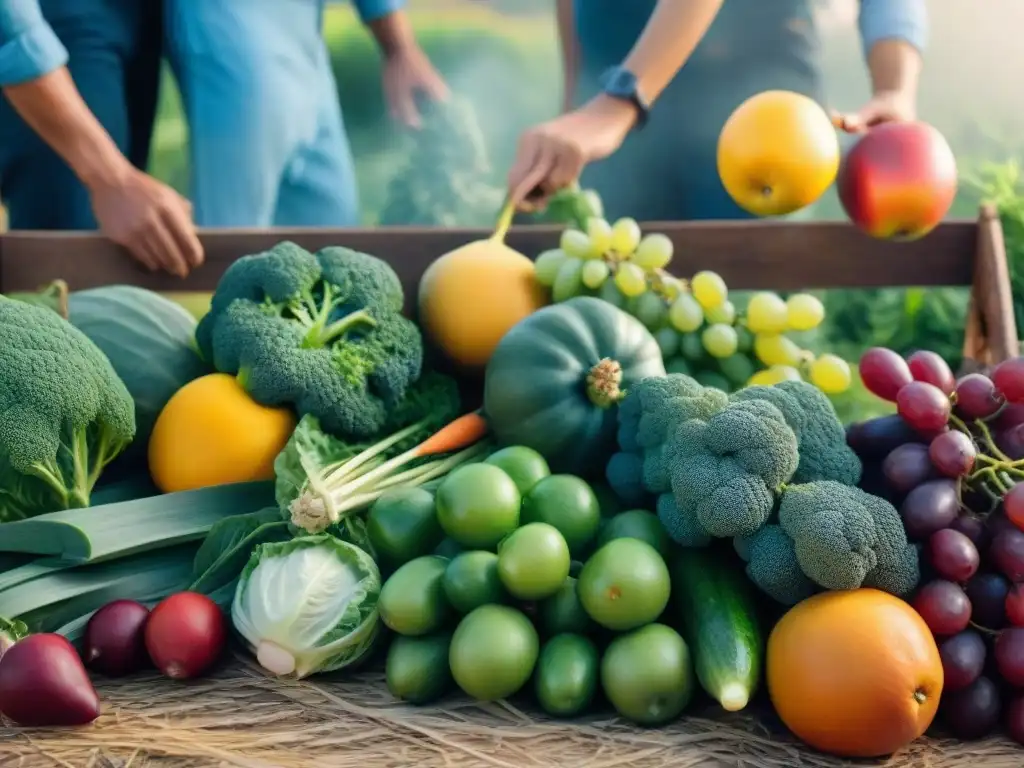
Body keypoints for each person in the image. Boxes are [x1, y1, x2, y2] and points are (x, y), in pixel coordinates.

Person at [506, 0, 927, 220]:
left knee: (752, 312)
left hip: (761, 114)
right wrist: (577, 98)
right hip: (612, 98)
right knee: (615, 314)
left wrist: (894, 87)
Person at [164, 0, 448, 228]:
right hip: (235, 29)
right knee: (235, 241)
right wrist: (398, 46)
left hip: (305, 39)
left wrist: (400, 48)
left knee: (334, 240)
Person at [0, 0, 203, 277]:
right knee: (71, 265)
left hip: (144, 15)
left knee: (124, 246)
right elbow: (12, 37)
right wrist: (112, 178)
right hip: (54, 19)